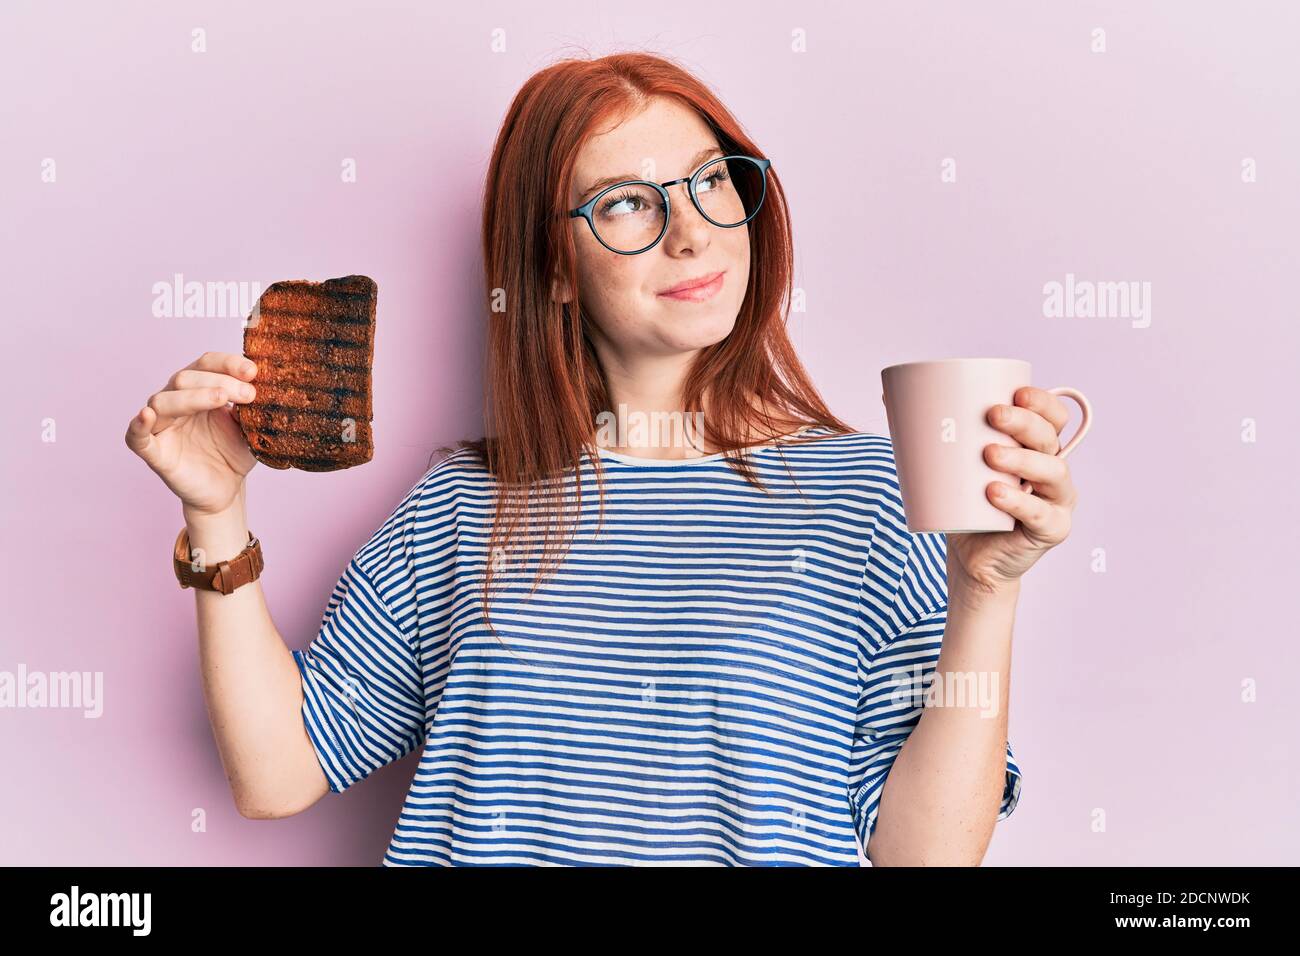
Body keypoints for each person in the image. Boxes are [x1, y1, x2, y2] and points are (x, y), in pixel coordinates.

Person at [125, 52, 1080, 866]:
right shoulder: (463, 503)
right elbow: (279, 771)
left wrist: (988, 590)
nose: (694, 229)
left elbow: (924, 852)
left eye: (713, 181)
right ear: (551, 269)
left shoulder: (876, 494)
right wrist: (216, 515)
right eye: (627, 204)